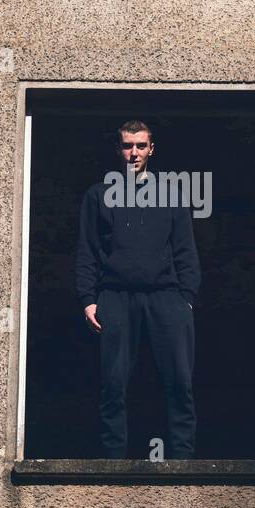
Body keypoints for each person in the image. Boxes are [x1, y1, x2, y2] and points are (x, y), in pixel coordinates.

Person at [74, 120, 201, 459]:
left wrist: (186, 300)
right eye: (128, 146)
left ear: (151, 149)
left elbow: (186, 251)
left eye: (140, 146)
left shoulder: (171, 194)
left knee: (178, 381)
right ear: (119, 149)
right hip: (115, 296)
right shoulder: (98, 195)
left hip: (166, 297)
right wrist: (88, 299)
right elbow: (86, 251)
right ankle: (113, 465)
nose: (134, 153)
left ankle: (184, 463)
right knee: (113, 384)